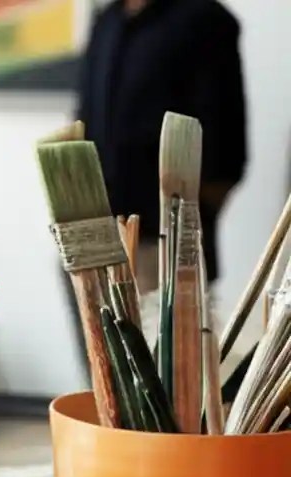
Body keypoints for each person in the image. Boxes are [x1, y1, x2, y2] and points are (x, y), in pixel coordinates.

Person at [78, 0, 247, 288]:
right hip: (95, 237)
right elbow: (85, 117)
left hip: (164, 245)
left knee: (166, 332)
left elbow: (226, 146)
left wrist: (186, 229)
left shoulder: (205, 18)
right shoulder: (107, 20)